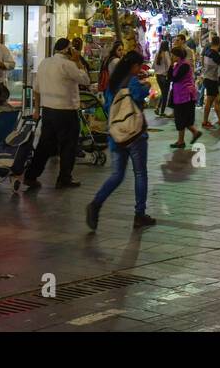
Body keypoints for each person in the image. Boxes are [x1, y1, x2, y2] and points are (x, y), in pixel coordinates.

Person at [86, 50, 155, 230]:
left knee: (117, 175)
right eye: (139, 65)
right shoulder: (132, 81)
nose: (140, 69)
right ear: (134, 66)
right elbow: (139, 96)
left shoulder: (112, 83)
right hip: (134, 135)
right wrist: (147, 85)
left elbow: (109, 107)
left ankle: (96, 203)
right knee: (140, 173)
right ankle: (139, 214)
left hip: (115, 135)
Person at [24, 38, 91, 190]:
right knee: (68, 146)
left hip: (48, 111)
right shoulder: (68, 65)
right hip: (66, 112)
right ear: (67, 50)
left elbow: (36, 89)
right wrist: (78, 61)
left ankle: (31, 176)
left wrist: (36, 110)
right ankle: (64, 178)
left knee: (44, 146)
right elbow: (86, 79)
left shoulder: (44, 63)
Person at [167, 45, 202, 149]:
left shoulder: (184, 65)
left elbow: (174, 78)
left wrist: (170, 67)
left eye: (173, 55)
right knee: (181, 119)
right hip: (180, 95)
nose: (171, 57)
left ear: (178, 56)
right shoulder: (178, 65)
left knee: (181, 118)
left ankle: (182, 140)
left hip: (185, 96)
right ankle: (189, 136)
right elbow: (171, 78)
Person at [200, 36, 220, 128]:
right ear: (219, 44)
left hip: (209, 78)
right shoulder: (215, 54)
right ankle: (205, 121)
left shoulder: (207, 52)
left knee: (217, 100)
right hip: (211, 80)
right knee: (209, 101)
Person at [151, 43, 173, 117]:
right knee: (165, 94)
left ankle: (157, 108)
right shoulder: (166, 53)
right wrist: (167, 72)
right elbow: (169, 65)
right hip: (164, 76)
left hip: (158, 76)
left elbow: (153, 66)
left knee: (163, 93)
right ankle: (161, 111)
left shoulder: (158, 54)